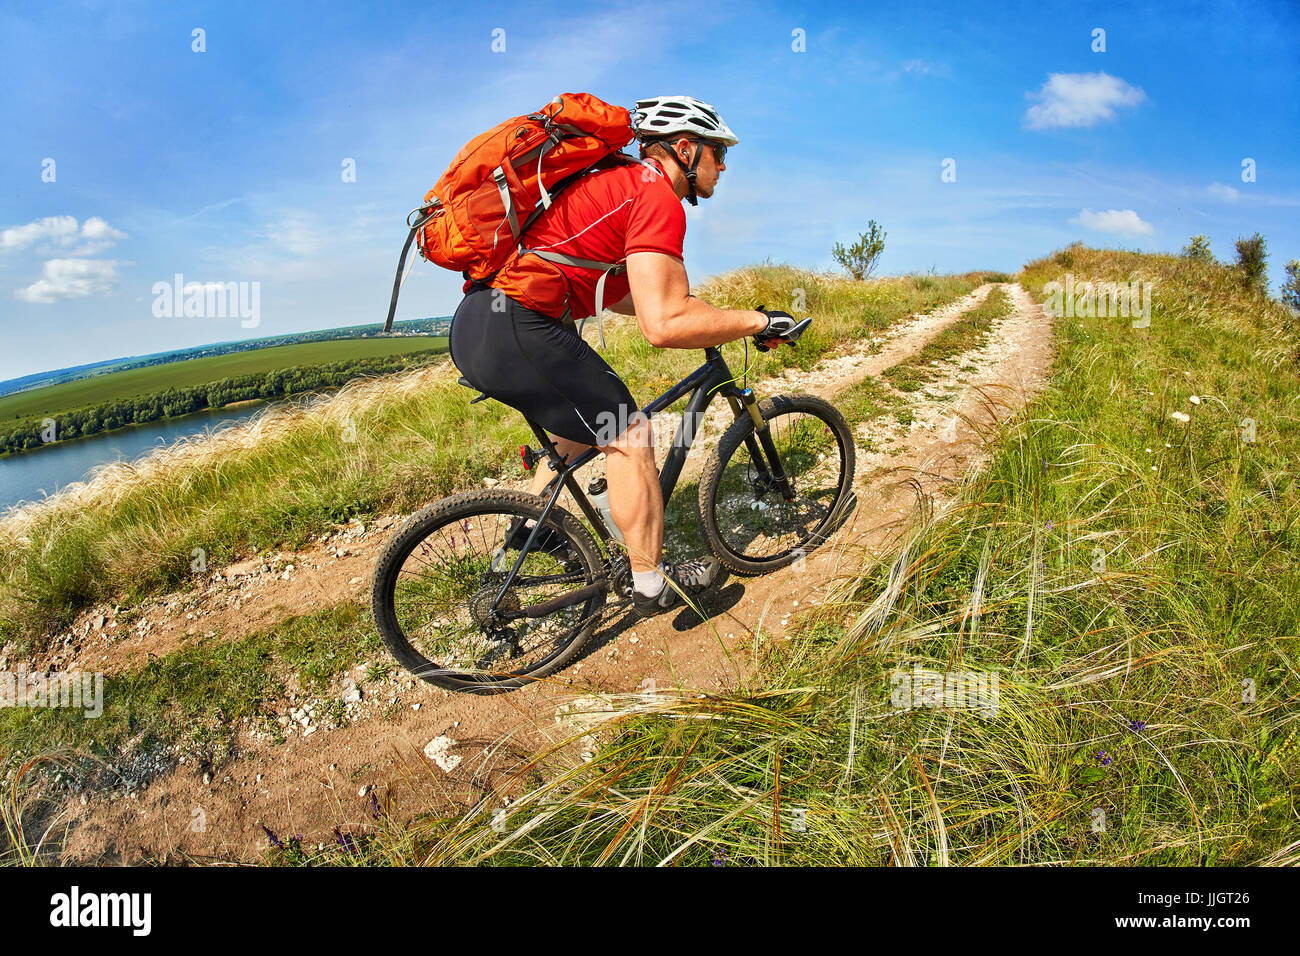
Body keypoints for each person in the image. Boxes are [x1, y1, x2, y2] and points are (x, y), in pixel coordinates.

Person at [448, 95, 801, 616]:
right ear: (685, 149)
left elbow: (623, 296)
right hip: (518, 325)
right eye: (717, 154)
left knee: (578, 430)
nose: (722, 166)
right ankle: (650, 585)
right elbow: (662, 325)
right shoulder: (656, 195)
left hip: (481, 322)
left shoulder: (617, 184)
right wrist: (757, 321)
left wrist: (710, 316)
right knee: (629, 430)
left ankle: (531, 534)